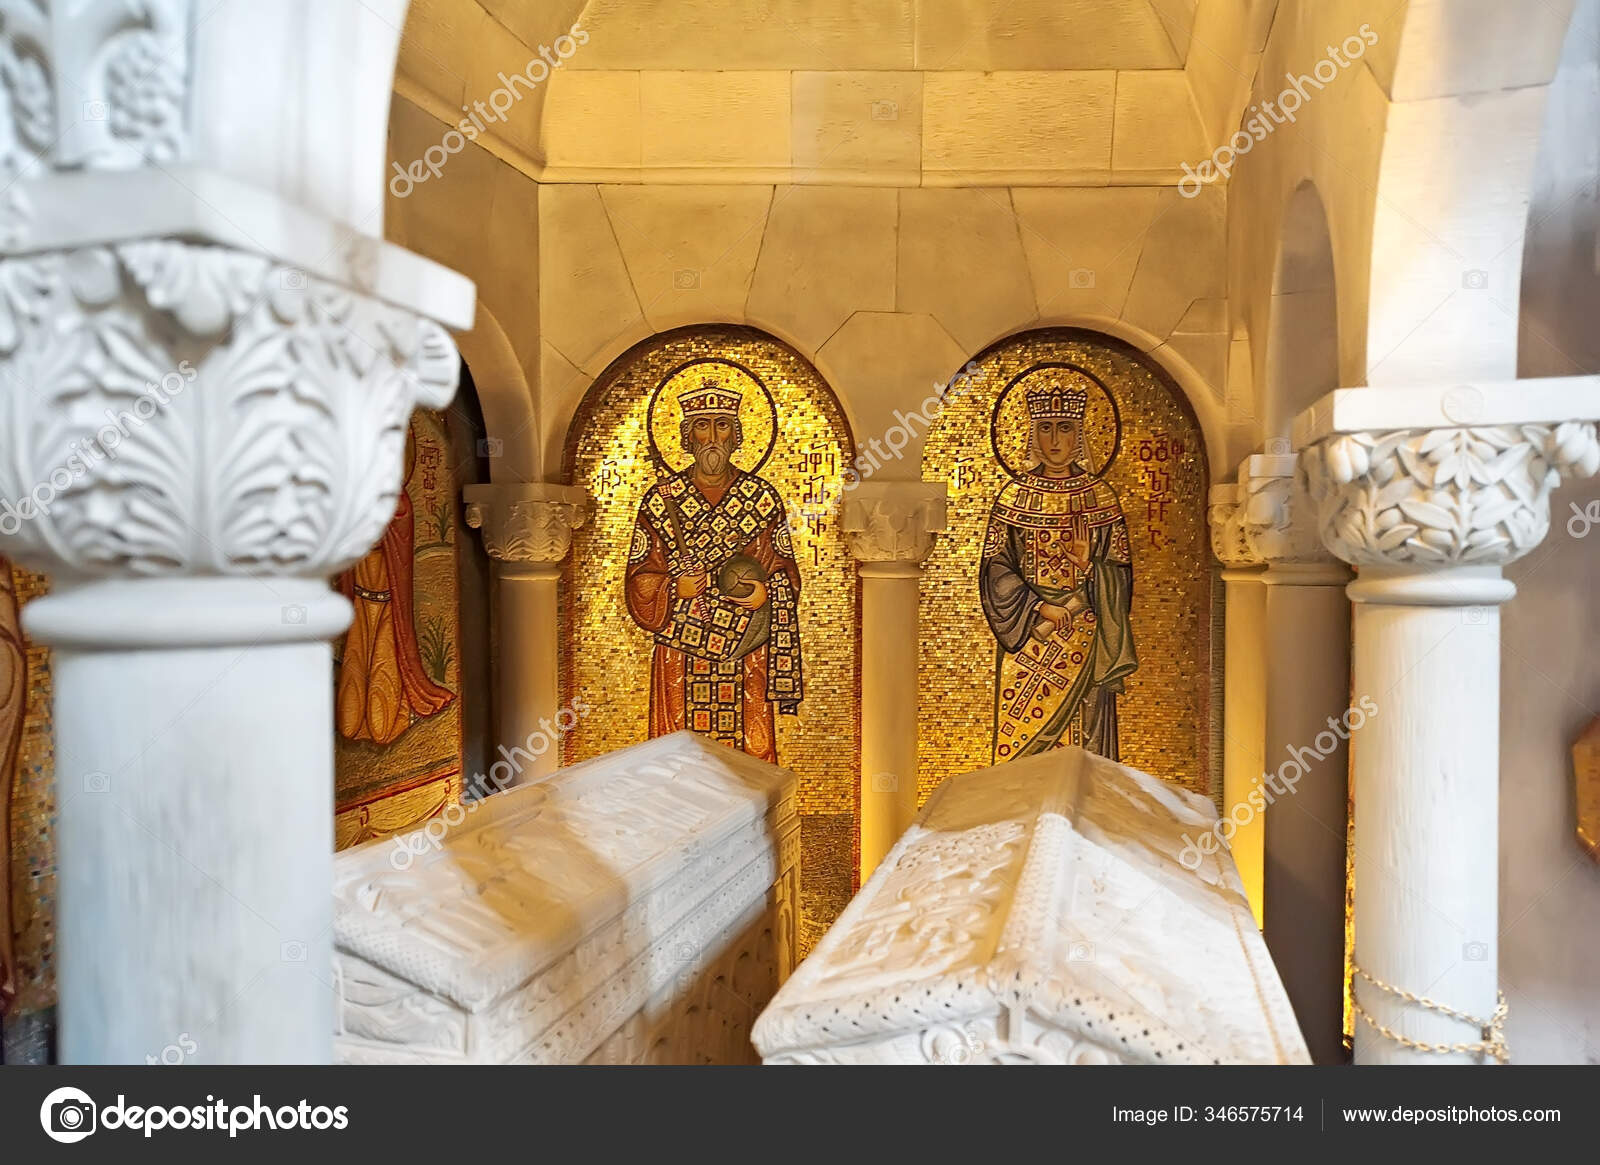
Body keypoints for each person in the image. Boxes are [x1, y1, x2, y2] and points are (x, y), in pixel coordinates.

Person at [625, 381, 803, 762]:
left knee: (748, 759)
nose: (712, 437)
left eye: (722, 425)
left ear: (736, 435)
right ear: (688, 436)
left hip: (745, 645)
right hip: (681, 646)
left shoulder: (761, 498)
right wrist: (674, 588)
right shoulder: (661, 500)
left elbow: (784, 570)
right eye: (702, 426)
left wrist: (766, 593)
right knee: (678, 760)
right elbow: (640, 577)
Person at [980, 382, 1137, 763]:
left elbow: (1121, 576)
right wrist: (1039, 607)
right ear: (1033, 434)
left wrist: (1090, 569)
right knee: (1023, 745)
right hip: (1029, 639)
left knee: (1085, 745)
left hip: (1086, 639)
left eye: (1064, 427)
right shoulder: (1013, 497)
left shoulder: (1100, 497)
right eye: (1046, 427)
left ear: (1079, 435)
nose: (1055, 440)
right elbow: (994, 569)